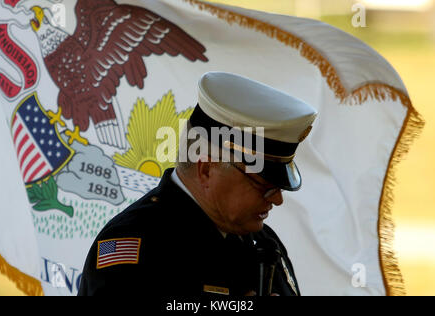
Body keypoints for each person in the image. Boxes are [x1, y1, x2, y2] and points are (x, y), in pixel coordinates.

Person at [78, 71, 317, 297]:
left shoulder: (263, 243)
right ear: (207, 170)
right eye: (265, 185)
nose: (277, 199)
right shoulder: (136, 248)